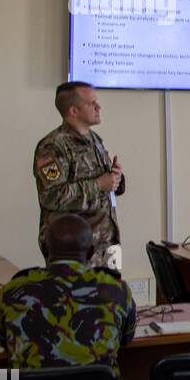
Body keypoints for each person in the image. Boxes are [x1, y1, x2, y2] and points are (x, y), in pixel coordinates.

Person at [0, 214, 138, 380]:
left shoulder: (15, 291)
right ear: (89, 252)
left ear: (45, 249)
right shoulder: (116, 290)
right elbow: (127, 338)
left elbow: (0, 338)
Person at [34, 82, 124, 268]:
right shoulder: (52, 147)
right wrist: (99, 184)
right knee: (77, 297)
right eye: (91, 103)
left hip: (106, 245)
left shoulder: (94, 140)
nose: (98, 107)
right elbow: (52, 196)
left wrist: (116, 179)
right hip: (74, 248)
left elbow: (104, 186)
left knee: (112, 296)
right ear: (73, 111)